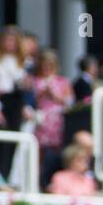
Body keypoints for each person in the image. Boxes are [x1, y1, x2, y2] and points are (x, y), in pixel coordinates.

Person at [27, 49, 74, 189]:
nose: (46, 68)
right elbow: (29, 101)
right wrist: (41, 94)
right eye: (44, 64)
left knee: (54, 152)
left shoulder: (62, 81)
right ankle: (35, 183)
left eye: (49, 64)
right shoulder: (34, 81)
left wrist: (54, 95)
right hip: (40, 119)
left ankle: (50, 182)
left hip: (57, 121)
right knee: (37, 151)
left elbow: (70, 102)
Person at [0, 25, 28, 177]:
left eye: (13, 41)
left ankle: (5, 175)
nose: (9, 44)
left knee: (12, 140)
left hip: (15, 101)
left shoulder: (22, 62)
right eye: (7, 40)